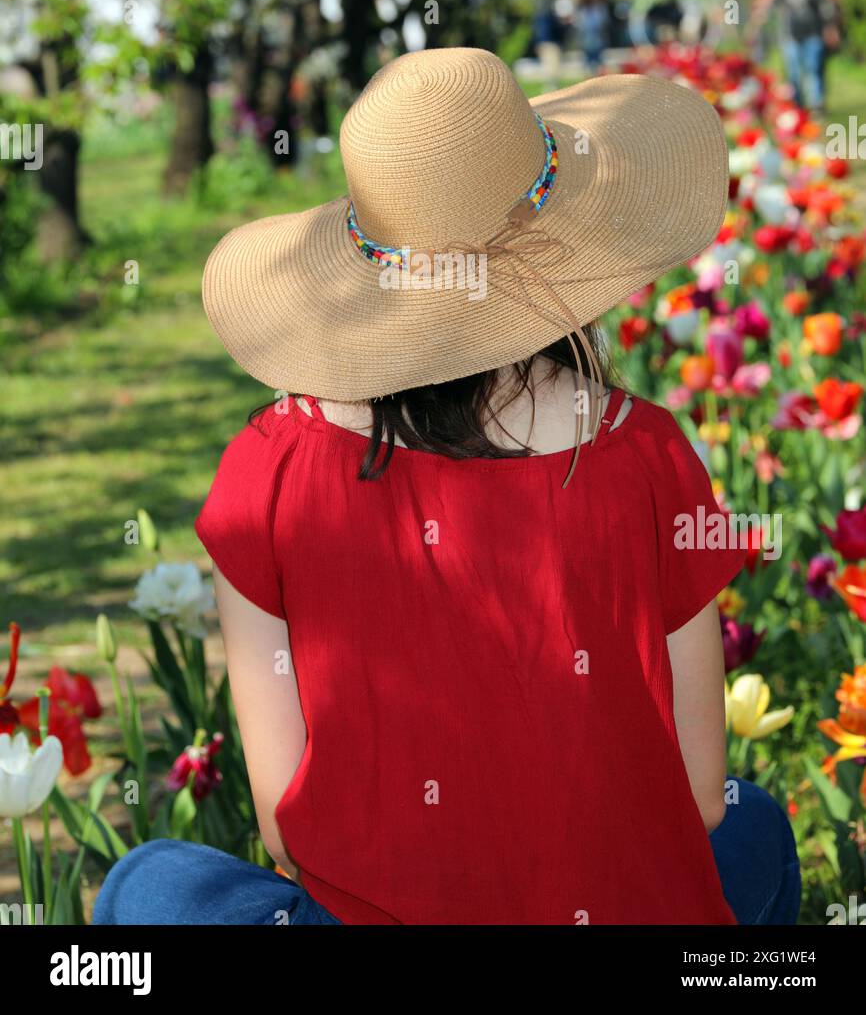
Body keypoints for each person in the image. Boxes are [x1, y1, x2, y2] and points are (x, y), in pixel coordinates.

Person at [93, 48, 800, 926]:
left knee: (152, 881)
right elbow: (698, 799)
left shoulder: (271, 467)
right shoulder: (646, 453)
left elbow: (284, 830)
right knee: (755, 822)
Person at [748, 0, 842, 111]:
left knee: (814, 67)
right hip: (790, 33)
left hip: (815, 29)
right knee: (794, 73)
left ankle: (817, 106)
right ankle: (798, 108)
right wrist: (754, 26)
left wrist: (833, 26)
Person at [576, 0, 611, 71]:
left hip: (594, 39)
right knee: (591, 60)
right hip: (589, 39)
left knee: (595, 60)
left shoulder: (597, 9)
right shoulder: (588, 11)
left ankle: (595, 76)